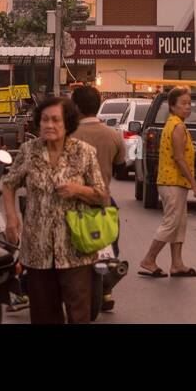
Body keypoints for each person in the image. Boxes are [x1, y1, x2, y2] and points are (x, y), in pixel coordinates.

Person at [0, 97, 108, 324]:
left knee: (79, 316)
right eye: (45, 120)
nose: (49, 125)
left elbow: (102, 195)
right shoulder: (29, 151)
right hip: (37, 249)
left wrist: (78, 190)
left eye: (55, 120)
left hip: (75, 250)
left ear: (67, 123)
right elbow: (9, 184)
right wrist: (11, 219)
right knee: (43, 316)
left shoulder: (84, 152)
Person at [70, 84, 126, 313]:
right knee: (110, 248)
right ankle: (106, 290)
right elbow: (121, 166)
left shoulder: (69, 135)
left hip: (73, 204)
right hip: (103, 203)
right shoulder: (113, 136)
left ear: (75, 107)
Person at [139, 86, 196, 278]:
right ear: (172, 106)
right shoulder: (177, 127)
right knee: (171, 223)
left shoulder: (175, 123)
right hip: (172, 181)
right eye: (183, 103)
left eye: (189, 103)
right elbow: (179, 157)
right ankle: (149, 259)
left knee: (179, 223)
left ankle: (177, 264)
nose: (188, 107)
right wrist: (195, 183)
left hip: (175, 182)